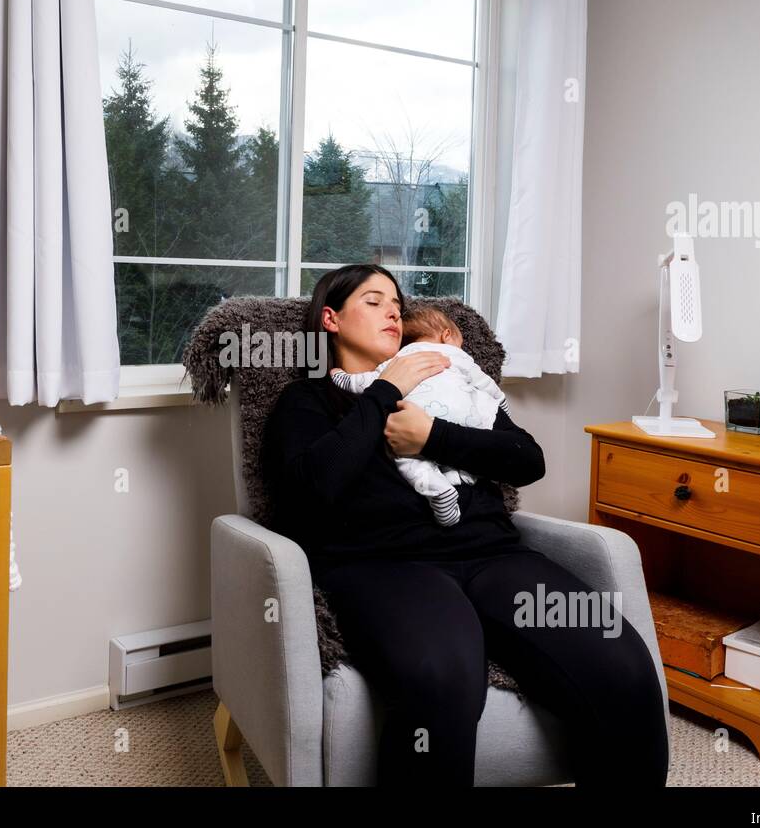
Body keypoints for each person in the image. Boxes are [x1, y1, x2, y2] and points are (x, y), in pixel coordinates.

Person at [260, 264, 670, 786]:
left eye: (396, 301)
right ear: (331, 319)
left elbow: (526, 458)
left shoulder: (450, 386)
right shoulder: (309, 401)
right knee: (442, 677)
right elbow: (311, 488)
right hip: (384, 568)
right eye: (373, 300)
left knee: (623, 666)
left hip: (495, 557)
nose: (393, 309)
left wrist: (431, 435)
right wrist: (385, 391)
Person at [329, 302, 509, 527]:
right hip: (470, 416)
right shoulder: (457, 359)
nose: (395, 314)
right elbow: (487, 385)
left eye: (397, 305)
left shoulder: (396, 362)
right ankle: (459, 477)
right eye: (374, 301)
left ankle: (439, 489)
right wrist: (499, 404)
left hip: (492, 543)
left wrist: (343, 378)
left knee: (408, 457)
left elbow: (530, 461)